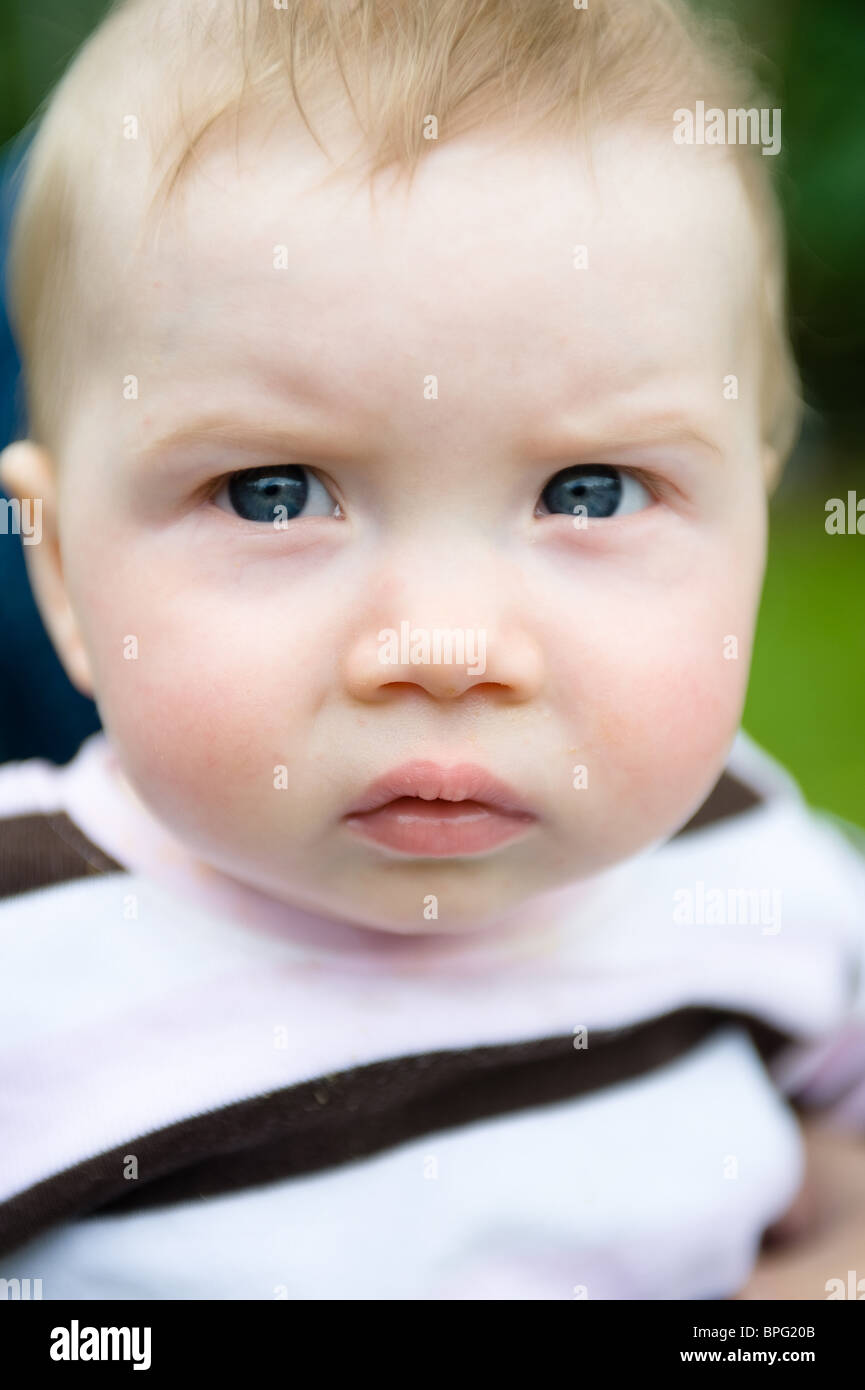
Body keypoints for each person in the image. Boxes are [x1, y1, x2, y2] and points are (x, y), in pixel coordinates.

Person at [0, 0, 863, 1299]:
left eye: (590, 493)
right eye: (273, 493)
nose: (444, 647)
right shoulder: (31, 961)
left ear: (750, 526)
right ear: (60, 571)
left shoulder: (751, 867)